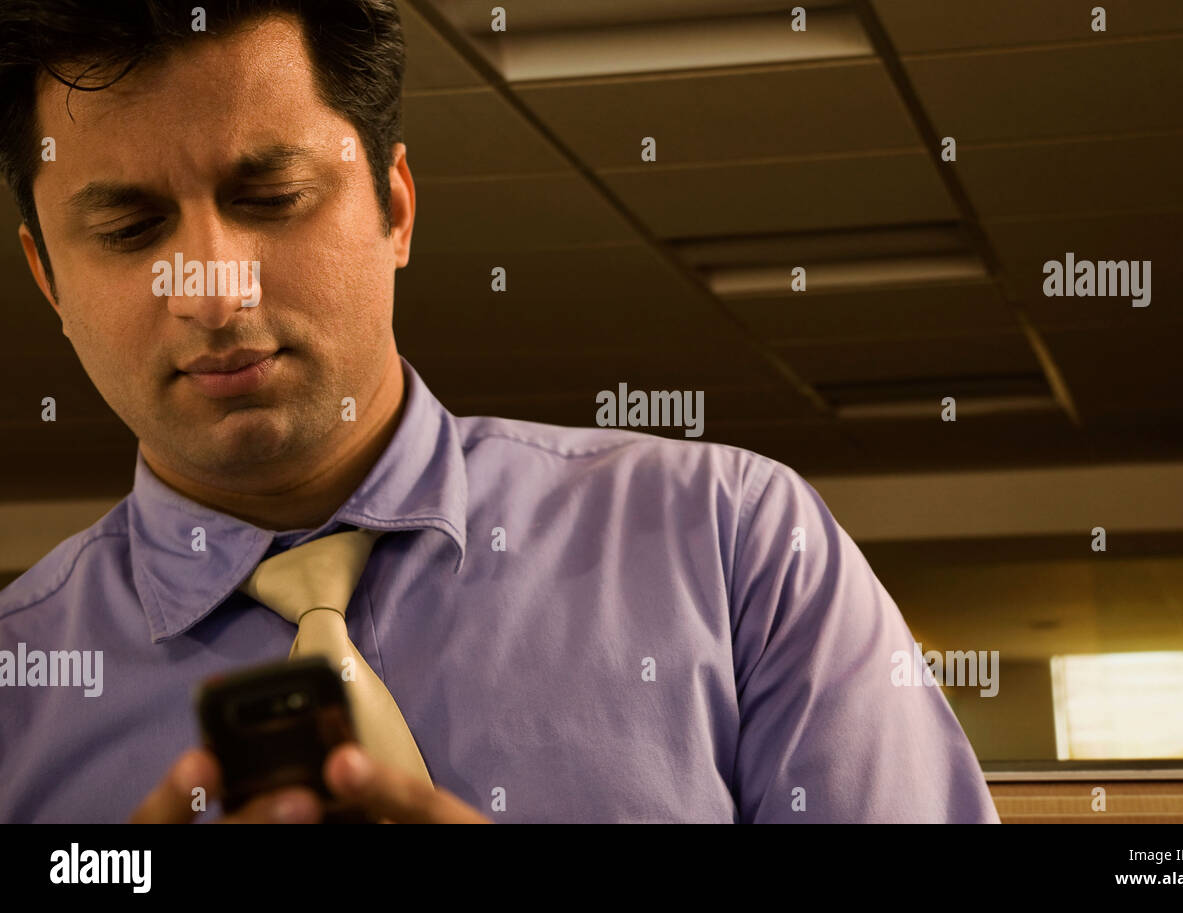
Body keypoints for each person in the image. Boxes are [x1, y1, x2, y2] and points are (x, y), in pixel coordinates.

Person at [0, 0, 999, 824]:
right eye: (131, 228)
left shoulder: (735, 546)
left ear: (394, 206)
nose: (212, 290)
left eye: (272, 196)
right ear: (46, 273)